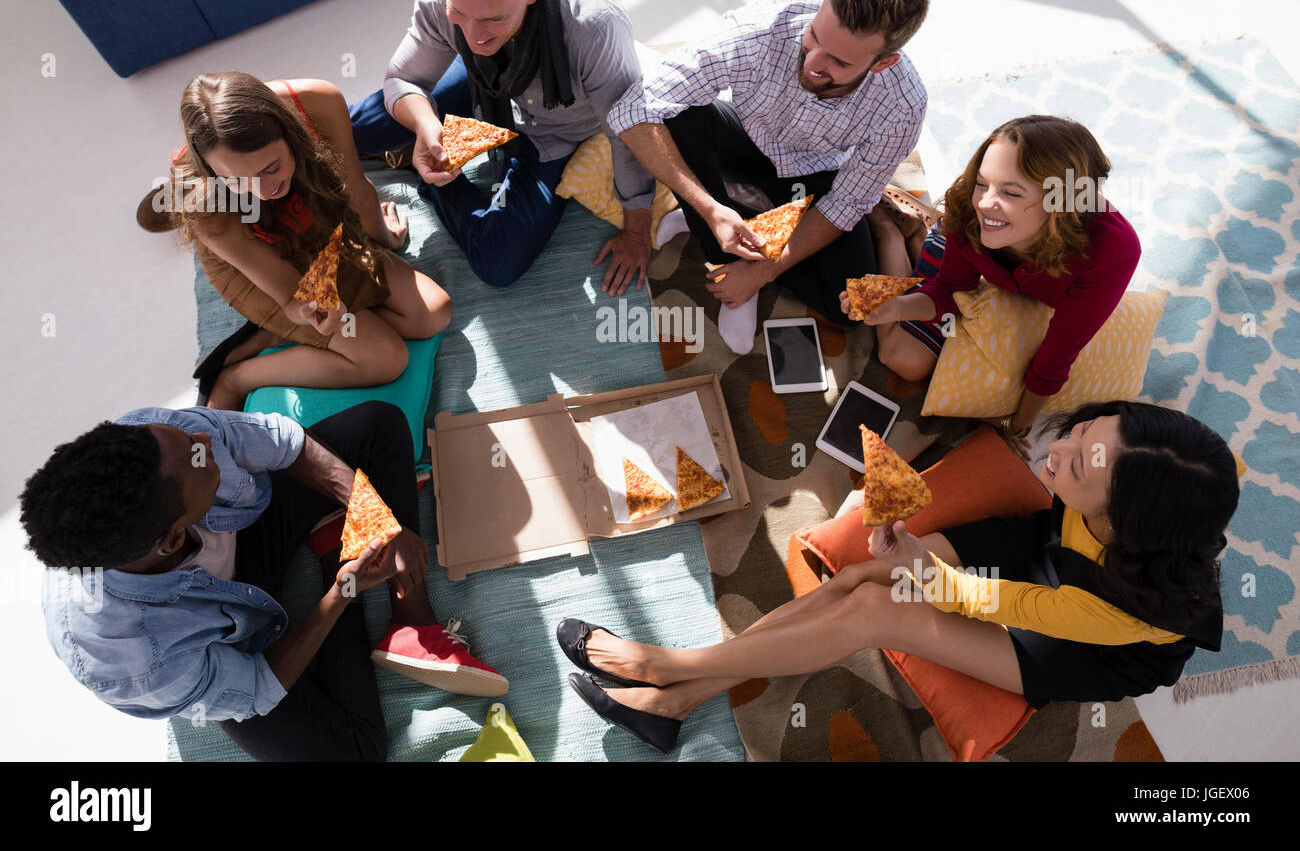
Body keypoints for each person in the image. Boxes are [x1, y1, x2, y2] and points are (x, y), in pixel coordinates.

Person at [557, 401, 1238, 753]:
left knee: (877, 609)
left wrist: (917, 565)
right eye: (1083, 431)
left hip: (1074, 647)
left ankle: (665, 667)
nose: (1058, 449)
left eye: (1079, 464)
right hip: (1048, 550)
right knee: (857, 579)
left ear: (1125, 518)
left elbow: (992, 600)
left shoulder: (1124, 610)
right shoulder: (1137, 471)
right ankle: (671, 706)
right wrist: (907, 558)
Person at [23, 401, 505, 762]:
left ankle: (410, 618)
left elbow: (283, 443)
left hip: (250, 536)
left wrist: (379, 520)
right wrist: (341, 592)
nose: (202, 437)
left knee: (377, 425)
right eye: (199, 458)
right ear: (172, 539)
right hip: (229, 645)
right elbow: (254, 687)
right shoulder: (127, 659)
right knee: (356, 753)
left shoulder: (161, 437)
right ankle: (336, 555)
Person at [607, 0, 930, 353]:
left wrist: (759, 273)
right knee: (677, 117)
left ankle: (747, 236)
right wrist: (709, 208)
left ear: (883, 63)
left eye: (837, 61)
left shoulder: (903, 106)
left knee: (848, 307)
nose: (813, 62)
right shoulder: (759, 30)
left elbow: (847, 203)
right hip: (744, 140)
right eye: (815, 36)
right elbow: (632, 110)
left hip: (818, 176)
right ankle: (722, 242)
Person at [348, 0, 656, 292]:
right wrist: (426, 124)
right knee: (350, 130)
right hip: (480, 87)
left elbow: (629, 133)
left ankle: (429, 174)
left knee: (498, 262)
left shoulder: (594, 26)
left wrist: (637, 232)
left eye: (494, 18)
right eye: (459, 13)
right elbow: (404, 79)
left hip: (552, 133)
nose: (474, 37)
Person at [140, 72, 453, 411]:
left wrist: (384, 238)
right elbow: (290, 294)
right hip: (260, 262)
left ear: (290, 131)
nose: (263, 191)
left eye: (270, 167)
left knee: (433, 314)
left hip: (318, 227)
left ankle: (279, 332)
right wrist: (309, 312)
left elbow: (356, 189)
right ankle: (239, 375)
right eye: (236, 180)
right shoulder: (206, 204)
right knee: (385, 358)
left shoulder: (318, 103)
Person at [845, 115, 1140, 448]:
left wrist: (1015, 426)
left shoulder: (1112, 253)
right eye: (982, 183)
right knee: (905, 359)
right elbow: (950, 290)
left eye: (1011, 192)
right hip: (967, 258)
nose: (984, 202)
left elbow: (1055, 358)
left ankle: (919, 231)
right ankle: (893, 231)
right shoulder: (968, 206)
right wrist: (896, 307)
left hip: (1010, 286)